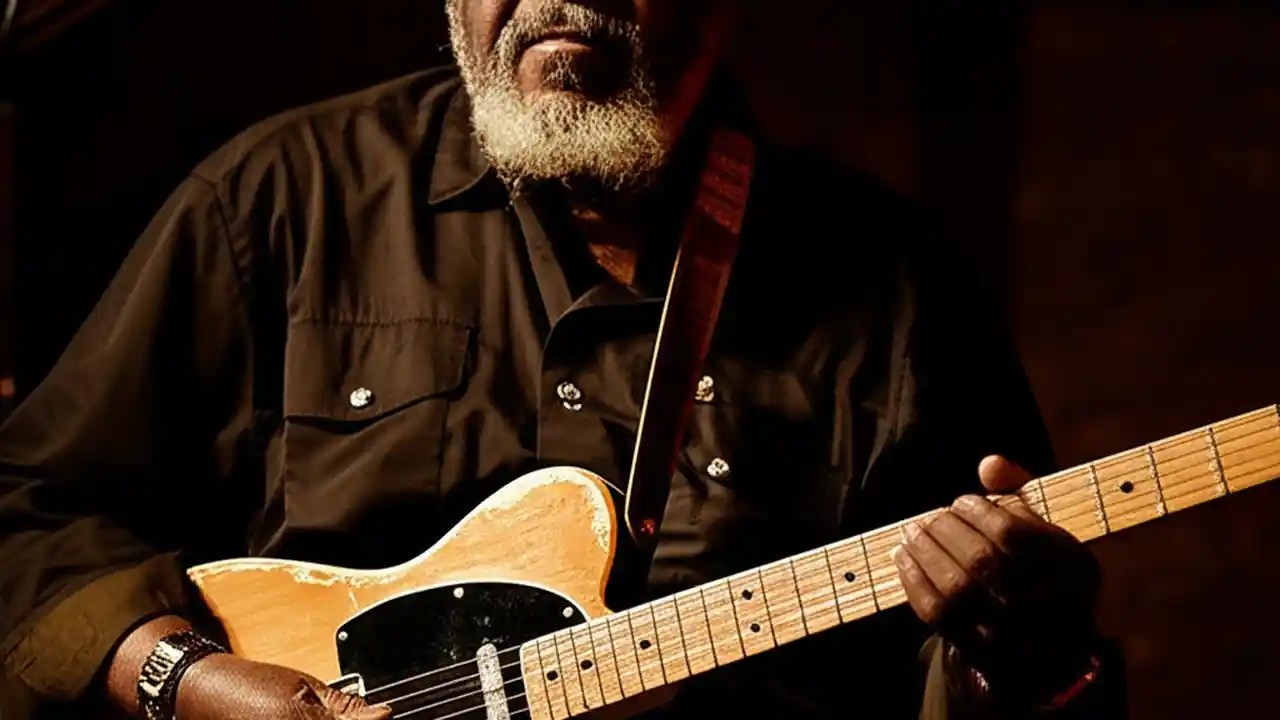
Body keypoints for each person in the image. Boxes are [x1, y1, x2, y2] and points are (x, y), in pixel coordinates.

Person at [0, 1, 1124, 718]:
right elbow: (26, 513)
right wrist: (182, 678)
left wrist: (1036, 663)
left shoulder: (901, 287)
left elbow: (999, 676)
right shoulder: (283, 197)